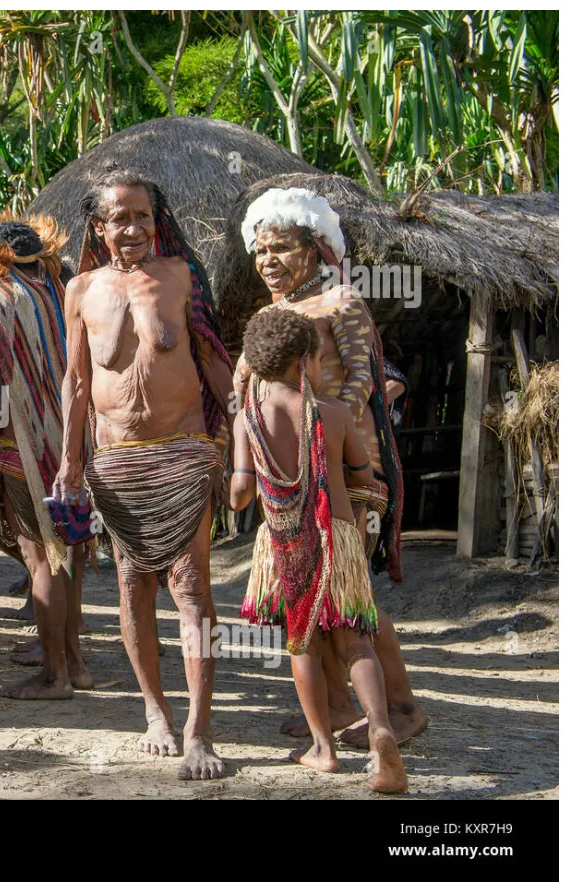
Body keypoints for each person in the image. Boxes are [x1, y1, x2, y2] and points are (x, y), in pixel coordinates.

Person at [55, 168, 233, 780]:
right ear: (98, 227)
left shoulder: (181, 278)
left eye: (141, 216)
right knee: (134, 586)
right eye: (118, 217)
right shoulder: (79, 290)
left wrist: (239, 428)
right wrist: (69, 463)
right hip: (117, 462)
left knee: (192, 589)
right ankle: (155, 711)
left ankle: (199, 728)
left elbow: (211, 357)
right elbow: (77, 381)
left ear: (157, 224)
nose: (131, 228)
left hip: (183, 451)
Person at [233, 186, 427, 747]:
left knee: (351, 598)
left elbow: (365, 380)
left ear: (314, 249)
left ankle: (403, 709)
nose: (269, 261)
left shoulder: (341, 302)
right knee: (312, 601)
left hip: (347, 476)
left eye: (282, 249)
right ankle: (340, 707)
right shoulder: (272, 314)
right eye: (261, 251)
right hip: (293, 487)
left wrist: (318, 424)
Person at [230, 307, 407, 793]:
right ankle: (380, 730)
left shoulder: (248, 420)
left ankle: (324, 749)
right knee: (355, 638)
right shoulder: (332, 413)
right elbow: (362, 474)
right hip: (341, 539)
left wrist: (243, 487)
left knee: (301, 642)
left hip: (287, 542)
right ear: (302, 361)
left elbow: (240, 494)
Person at [0, 211, 91, 698]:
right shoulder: (63, 294)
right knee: (71, 559)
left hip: (26, 449)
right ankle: (76, 664)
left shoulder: (3, 301)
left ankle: (55, 674)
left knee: (43, 562)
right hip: (73, 446)